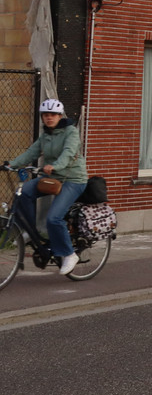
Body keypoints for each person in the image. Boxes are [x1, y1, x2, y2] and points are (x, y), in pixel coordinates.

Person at [6, 98, 88, 275]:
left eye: (53, 114)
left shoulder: (71, 132)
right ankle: (31, 231)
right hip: (52, 177)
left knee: (53, 218)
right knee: (23, 193)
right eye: (45, 115)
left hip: (73, 180)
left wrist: (55, 166)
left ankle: (69, 254)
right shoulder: (46, 135)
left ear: (60, 116)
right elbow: (31, 153)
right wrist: (11, 164)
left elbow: (68, 153)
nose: (49, 118)